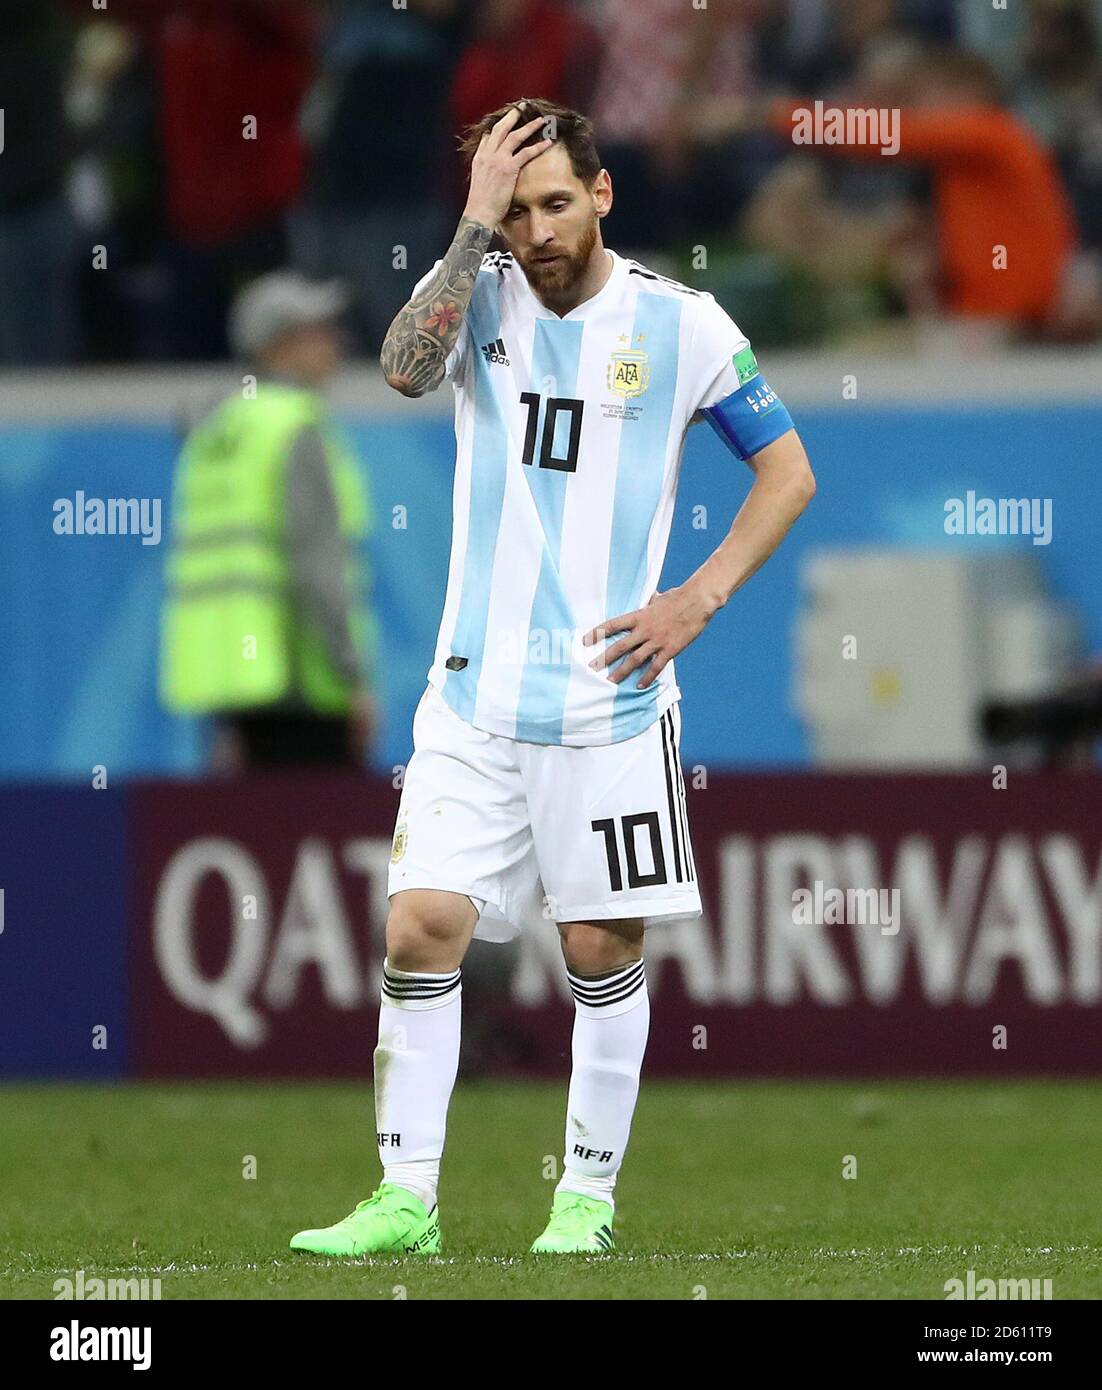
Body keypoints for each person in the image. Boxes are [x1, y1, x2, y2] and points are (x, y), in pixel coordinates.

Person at [289, 98, 814, 1258]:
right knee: (420, 926)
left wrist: (698, 596)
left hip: (609, 702)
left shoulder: (682, 325)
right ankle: (405, 1200)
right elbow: (396, 370)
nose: (537, 230)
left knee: (598, 948)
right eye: (515, 208)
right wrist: (470, 225)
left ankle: (584, 1198)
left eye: (555, 203)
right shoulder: (476, 294)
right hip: (472, 692)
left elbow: (786, 473)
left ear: (604, 194)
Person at [160, 272, 378, 769]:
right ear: (281, 346)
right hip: (303, 682)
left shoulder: (217, 429)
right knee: (313, 836)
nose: (336, 344)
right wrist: (354, 679)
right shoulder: (292, 426)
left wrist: (230, 722)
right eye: (319, 331)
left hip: (233, 684)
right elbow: (317, 569)